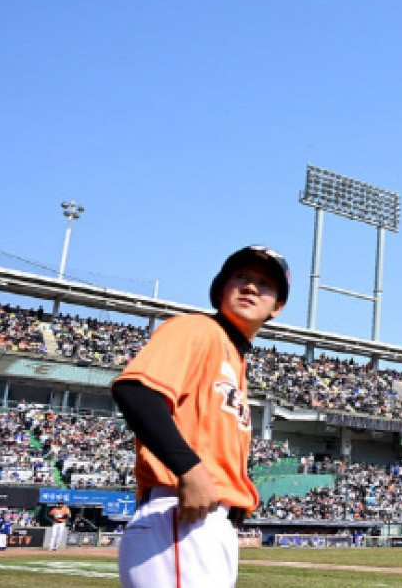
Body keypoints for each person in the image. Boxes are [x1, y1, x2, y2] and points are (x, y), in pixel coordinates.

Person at [112, 245, 290, 588]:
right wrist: (189, 468)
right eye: (241, 277)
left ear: (277, 307)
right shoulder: (196, 329)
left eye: (265, 284)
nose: (251, 287)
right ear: (220, 287)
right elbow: (135, 391)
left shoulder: (233, 357)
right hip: (179, 516)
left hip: (207, 524)